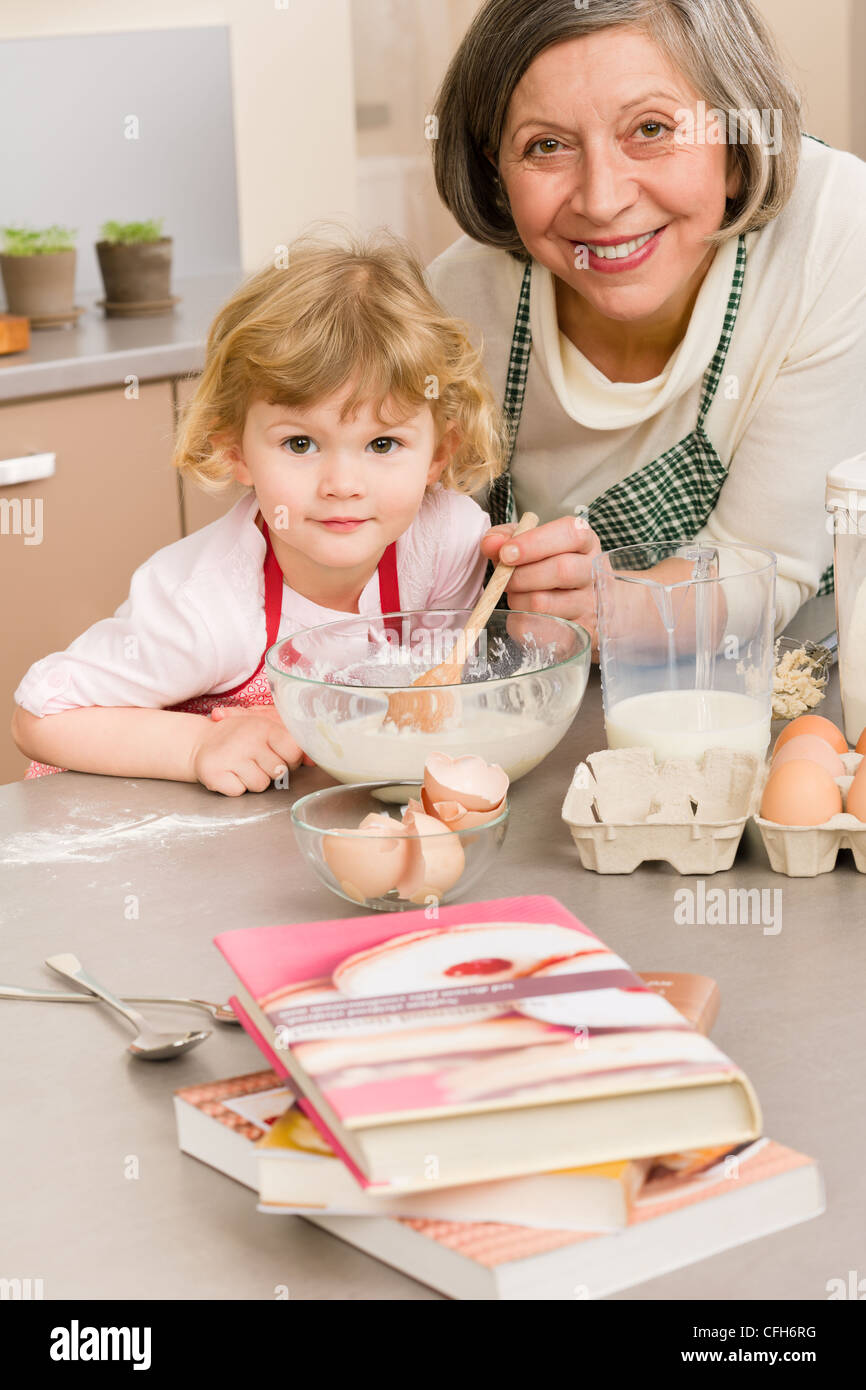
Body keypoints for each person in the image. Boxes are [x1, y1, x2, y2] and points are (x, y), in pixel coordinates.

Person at [11, 231, 589, 796]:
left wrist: (519, 593)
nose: (342, 486)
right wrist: (195, 747)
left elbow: (450, 681)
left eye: (382, 445)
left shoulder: (446, 540)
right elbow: (43, 714)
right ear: (236, 450)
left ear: (438, 452)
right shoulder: (206, 604)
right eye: (300, 444)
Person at [427, 0, 866, 643]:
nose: (603, 202)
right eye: (546, 146)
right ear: (495, 169)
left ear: (739, 146)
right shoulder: (455, 305)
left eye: (652, 129)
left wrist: (609, 610)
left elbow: (763, 562)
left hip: (796, 678)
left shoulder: (834, 231)